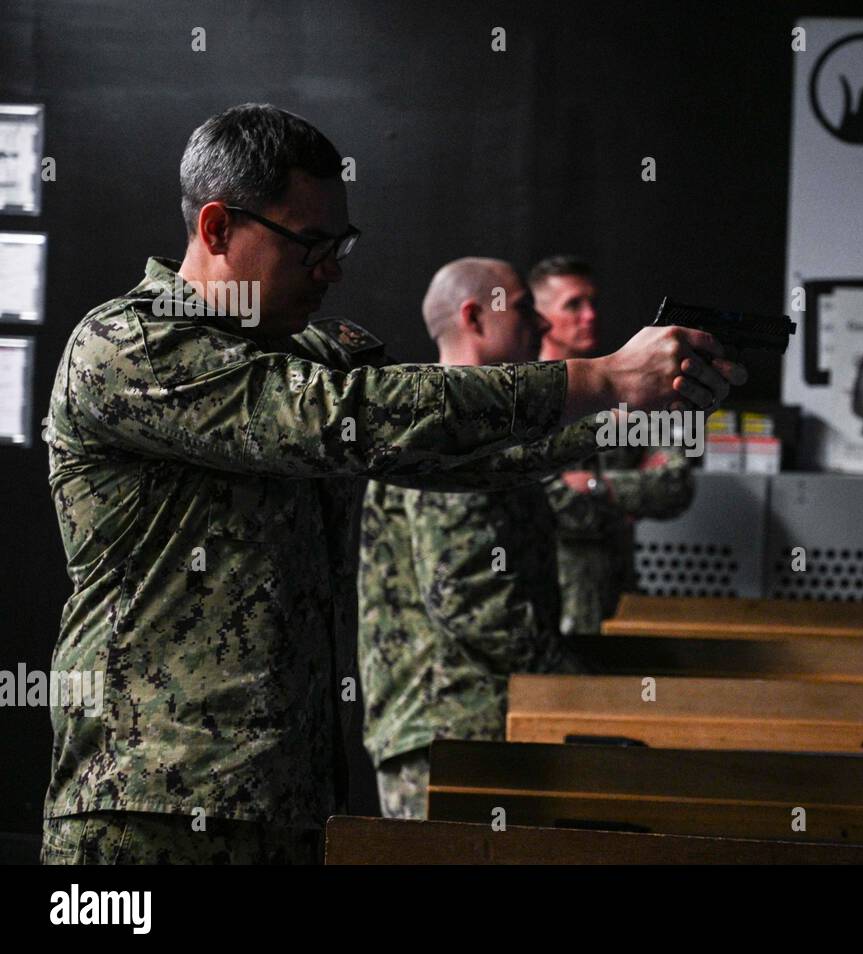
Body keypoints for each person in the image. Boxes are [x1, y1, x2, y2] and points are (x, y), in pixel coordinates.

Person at [40, 104, 743, 864]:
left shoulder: (304, 354)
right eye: (311, 244)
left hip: (290, 803)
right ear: (217, 229)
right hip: (146, 810)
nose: (332, 269)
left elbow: (454, 451)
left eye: (339, 244)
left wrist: (636, 409)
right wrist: (599, 376)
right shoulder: (122, 348)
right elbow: (353, 417)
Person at [359, 257, 585, 819]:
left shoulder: (470, 423)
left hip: (478, 724)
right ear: (474, 318)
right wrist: (572, 681)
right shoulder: (440, 423)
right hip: (452, 733)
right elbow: (469, 596)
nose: (544, 326)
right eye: (526, 309)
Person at [531, 256, 695, 636]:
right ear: (540, 317)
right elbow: (541, 503)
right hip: (543, 605)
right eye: (573, 304)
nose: (589, 315)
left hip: (618, 605)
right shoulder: (520, 403)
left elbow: (675, 485)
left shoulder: (630, 397)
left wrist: (594, 487)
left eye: (592, 302)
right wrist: (623, 501)